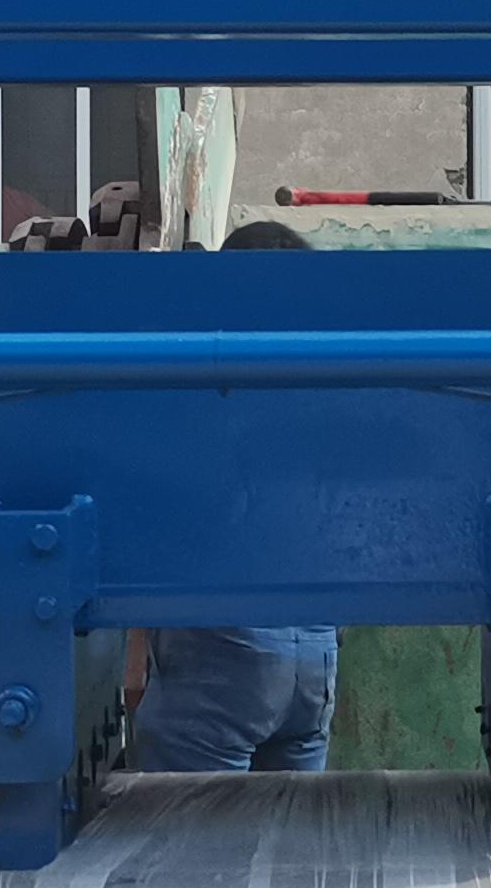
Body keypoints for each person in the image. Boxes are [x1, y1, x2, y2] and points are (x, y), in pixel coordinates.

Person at [123, 219, 341, 772]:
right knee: (294, 829)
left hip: (221, 657)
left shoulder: (214, 390)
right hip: (314, 661)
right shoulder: (321, 387)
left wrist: (133, 654)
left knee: (196, 830)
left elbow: (167, 521)